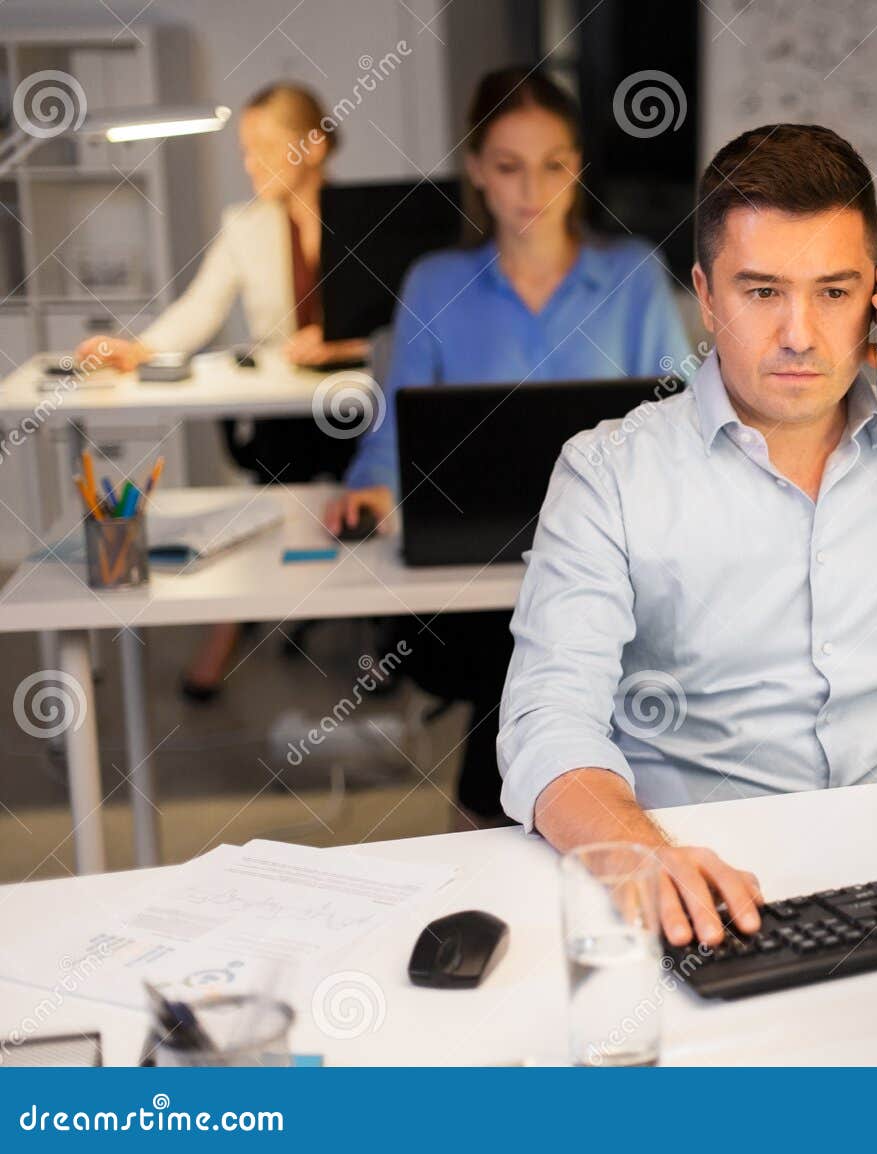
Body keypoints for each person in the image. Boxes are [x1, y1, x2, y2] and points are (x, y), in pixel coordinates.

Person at [498, 124, 877, 948]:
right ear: (708, 295)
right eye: (762, 292)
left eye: (833, 292)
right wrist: (637, 854)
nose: (800, 333)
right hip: (708, 885)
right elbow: (546, 720)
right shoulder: (608, 472)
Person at [323, 67, 692, 826]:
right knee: (522, 637)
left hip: (611, 557)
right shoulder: (435, 282)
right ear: (477, 172)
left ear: (578, 167)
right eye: (509, 166)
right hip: (477, 574)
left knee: (568, 629)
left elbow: (677, 423)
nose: (533, 189)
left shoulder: (633, 277)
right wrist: (369, 486)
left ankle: (537, 814)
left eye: (554, 164)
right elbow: (397, 430)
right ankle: (542, 817)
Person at [76, 82, 369, 700]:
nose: (249, 162)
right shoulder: (245, 226)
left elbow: (415, 317)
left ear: (312, 147)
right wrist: (136, 349)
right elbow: (198, 310)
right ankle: (229, 627)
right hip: (284, 416)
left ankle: (387, 625)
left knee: (377, 469)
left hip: (362, 404)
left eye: (265, 146)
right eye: (245, 149)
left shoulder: (376, 214)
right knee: (276, 479)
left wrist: (351, 347)